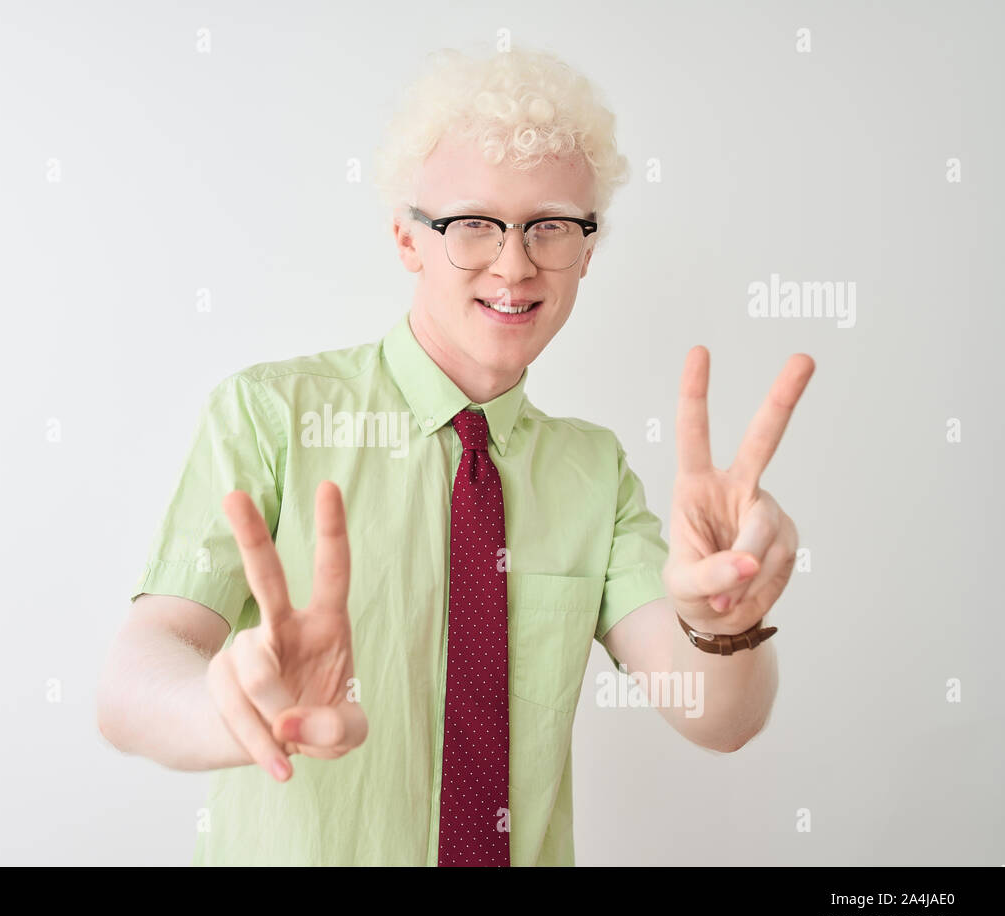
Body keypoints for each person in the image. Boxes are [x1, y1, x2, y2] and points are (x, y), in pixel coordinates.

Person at [96, 44, 814, 866]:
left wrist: (727, 621)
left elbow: (718, 719)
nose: (514, 263)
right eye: (473, 224)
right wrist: (234, 710)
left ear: (587, 250)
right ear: (407, 239)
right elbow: (130, 682)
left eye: (550, 225)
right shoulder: (270, 415)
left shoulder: (595, 474)